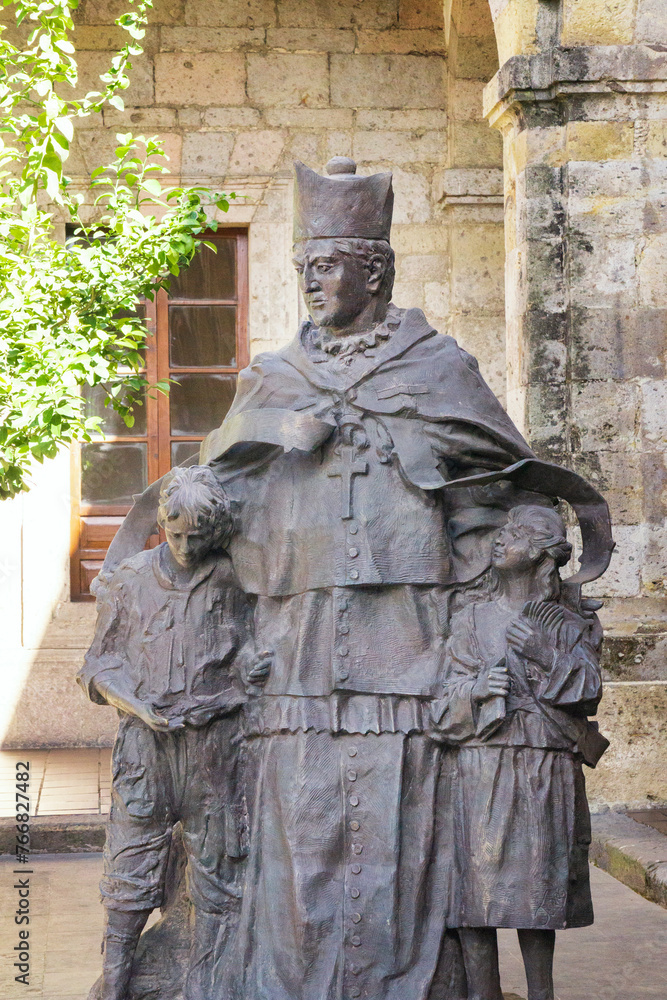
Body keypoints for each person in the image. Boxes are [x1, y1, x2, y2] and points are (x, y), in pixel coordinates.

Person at [199, 158, 549, 1000]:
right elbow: (217, 481)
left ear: (375, 270)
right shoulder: (275, 375)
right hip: (299, 636)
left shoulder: (436, 366)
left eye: (326, 267)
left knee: (407, 813)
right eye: (303, 269)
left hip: (409, 630)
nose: (311, 284)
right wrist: (275, 429)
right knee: (302, 815)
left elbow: (495, 483)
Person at [78, 465, 271, 1000]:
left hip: (215, 748)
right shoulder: (130, 578)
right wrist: (134, 705)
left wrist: (253, 664)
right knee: (130, 868)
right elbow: (99, 666)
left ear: (215, 530)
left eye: (197, 536)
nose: (185, 546)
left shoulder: (235, 578)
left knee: (220, 870)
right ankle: (116, 983)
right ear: (161, 523)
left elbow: (251, 644)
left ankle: (208, 982)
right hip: (147, 747)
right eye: (175, 532)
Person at [432, 505, 608, 1000]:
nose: (498, 539)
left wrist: (541, 651)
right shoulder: (470, 618)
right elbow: (442, 701)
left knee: (537, 891)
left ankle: (541, 994)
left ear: (538, 554)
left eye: (512, 534)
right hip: (481, 765)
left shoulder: (566, 621)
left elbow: (590, 689)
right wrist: (476, 690)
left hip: (543, 764)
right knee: (473, 893)